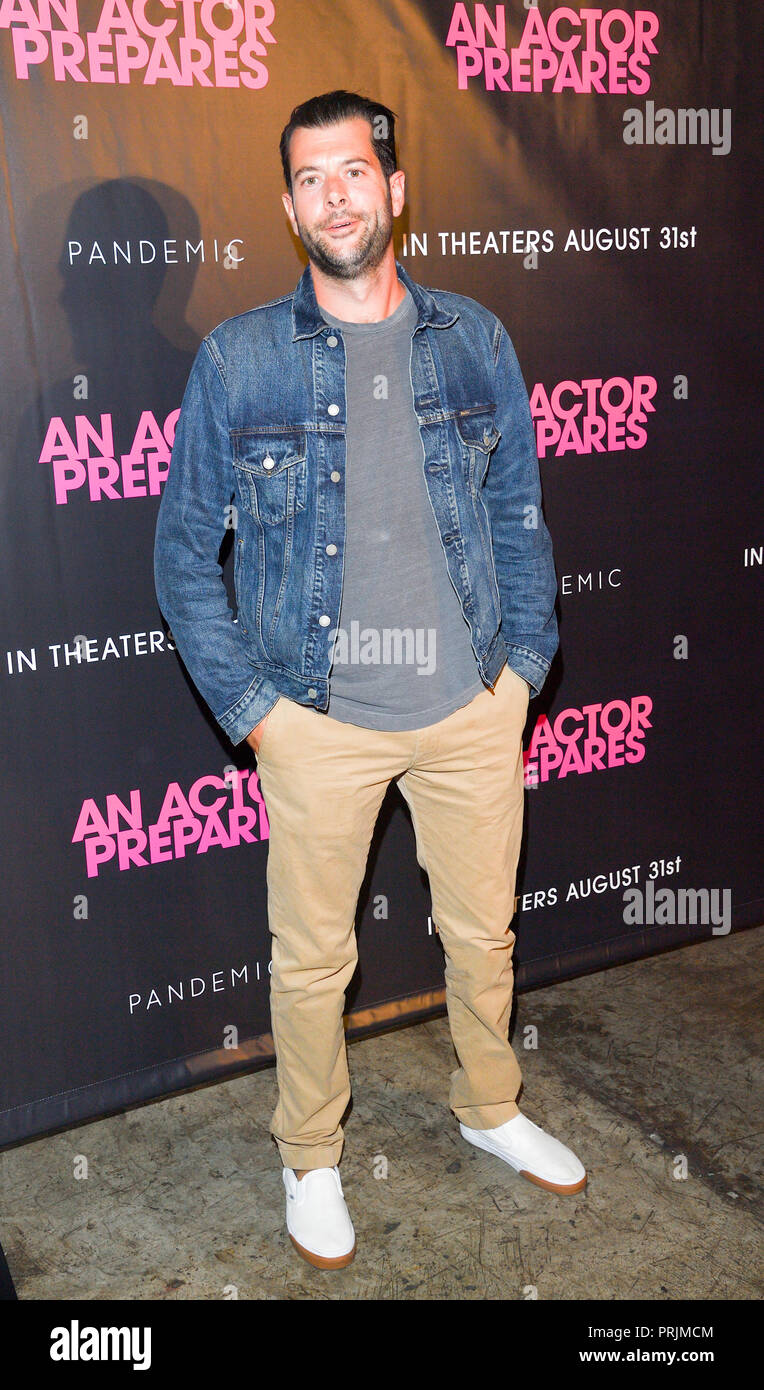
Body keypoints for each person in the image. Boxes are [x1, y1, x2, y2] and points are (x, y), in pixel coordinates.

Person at [154, 89, 586, 1271]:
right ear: (289, 205)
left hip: (470, 708)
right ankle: (310, 1157)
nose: (333, 195)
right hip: (319, 720)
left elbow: (514, 515)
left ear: (395, 189)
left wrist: (524, 672)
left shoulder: (473, 339)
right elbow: (184, 554)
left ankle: (488, 1106)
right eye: (308, 179)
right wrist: (258, 716)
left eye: (353, 172)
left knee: (482, 933)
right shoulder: (239, 360)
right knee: (311, 959)